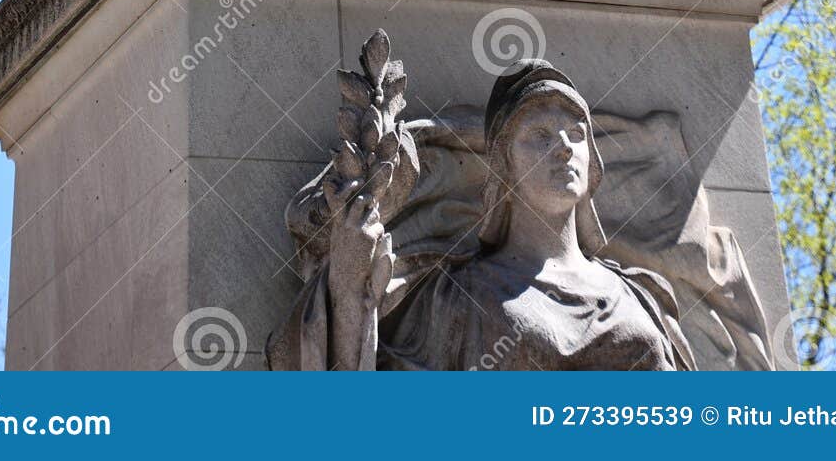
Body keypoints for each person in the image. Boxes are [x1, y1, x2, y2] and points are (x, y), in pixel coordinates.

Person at [267, 60, 695, 371]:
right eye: (540, 135)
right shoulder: (460, 296)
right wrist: (347, 282)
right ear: (503, 165)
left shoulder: (643, 296)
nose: (564, 148)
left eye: (577, 134)